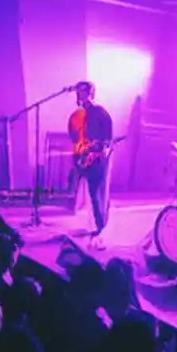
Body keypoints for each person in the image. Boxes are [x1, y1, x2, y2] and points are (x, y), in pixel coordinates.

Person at [67, 81, 115, 250]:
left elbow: (108, 138)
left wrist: (99, 148)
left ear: (90, 93)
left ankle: (100, 225)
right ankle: (95, 222)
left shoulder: (100, 112)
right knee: (87, 190)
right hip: (83, 155)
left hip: (97, 157)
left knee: (97, 192)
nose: (80, 95)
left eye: (83, 91)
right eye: (78, 92)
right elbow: (75, 136)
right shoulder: (78, 115)